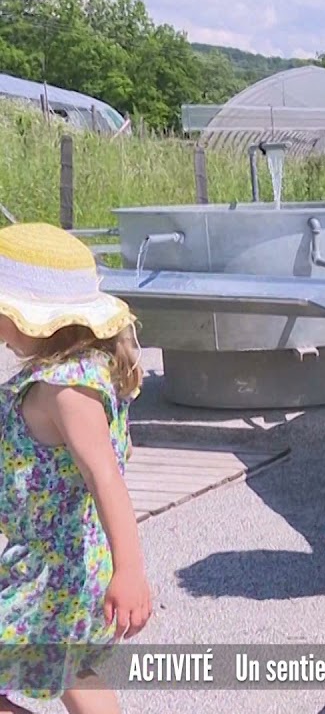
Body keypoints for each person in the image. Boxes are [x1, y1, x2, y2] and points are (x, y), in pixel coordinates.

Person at [0, 223, 152, 714]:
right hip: (57, 564)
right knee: (71, 673)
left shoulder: (65, 390)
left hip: (53, 574)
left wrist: (130, 571)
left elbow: (103, 478)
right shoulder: (73, 372)